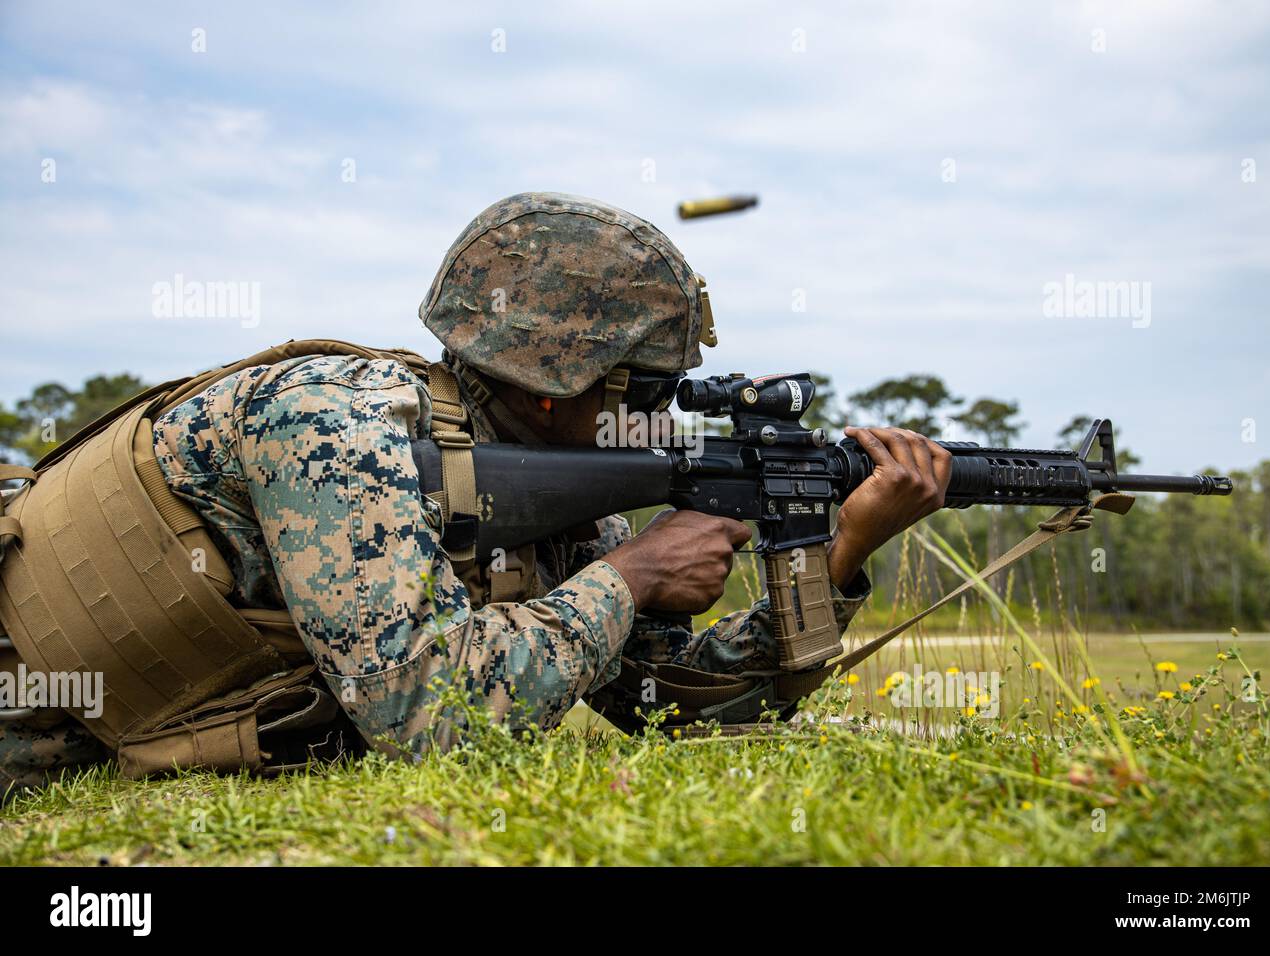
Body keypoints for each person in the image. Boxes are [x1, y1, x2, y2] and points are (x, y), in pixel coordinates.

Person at [0, 192, 950, 797]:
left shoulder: (563, 491)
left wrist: (839, 556)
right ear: (559, 380)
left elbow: (665, 706)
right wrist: (630, 576)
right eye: (648, 388)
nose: (663, 416)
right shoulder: (336, 425)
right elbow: (428, 717)